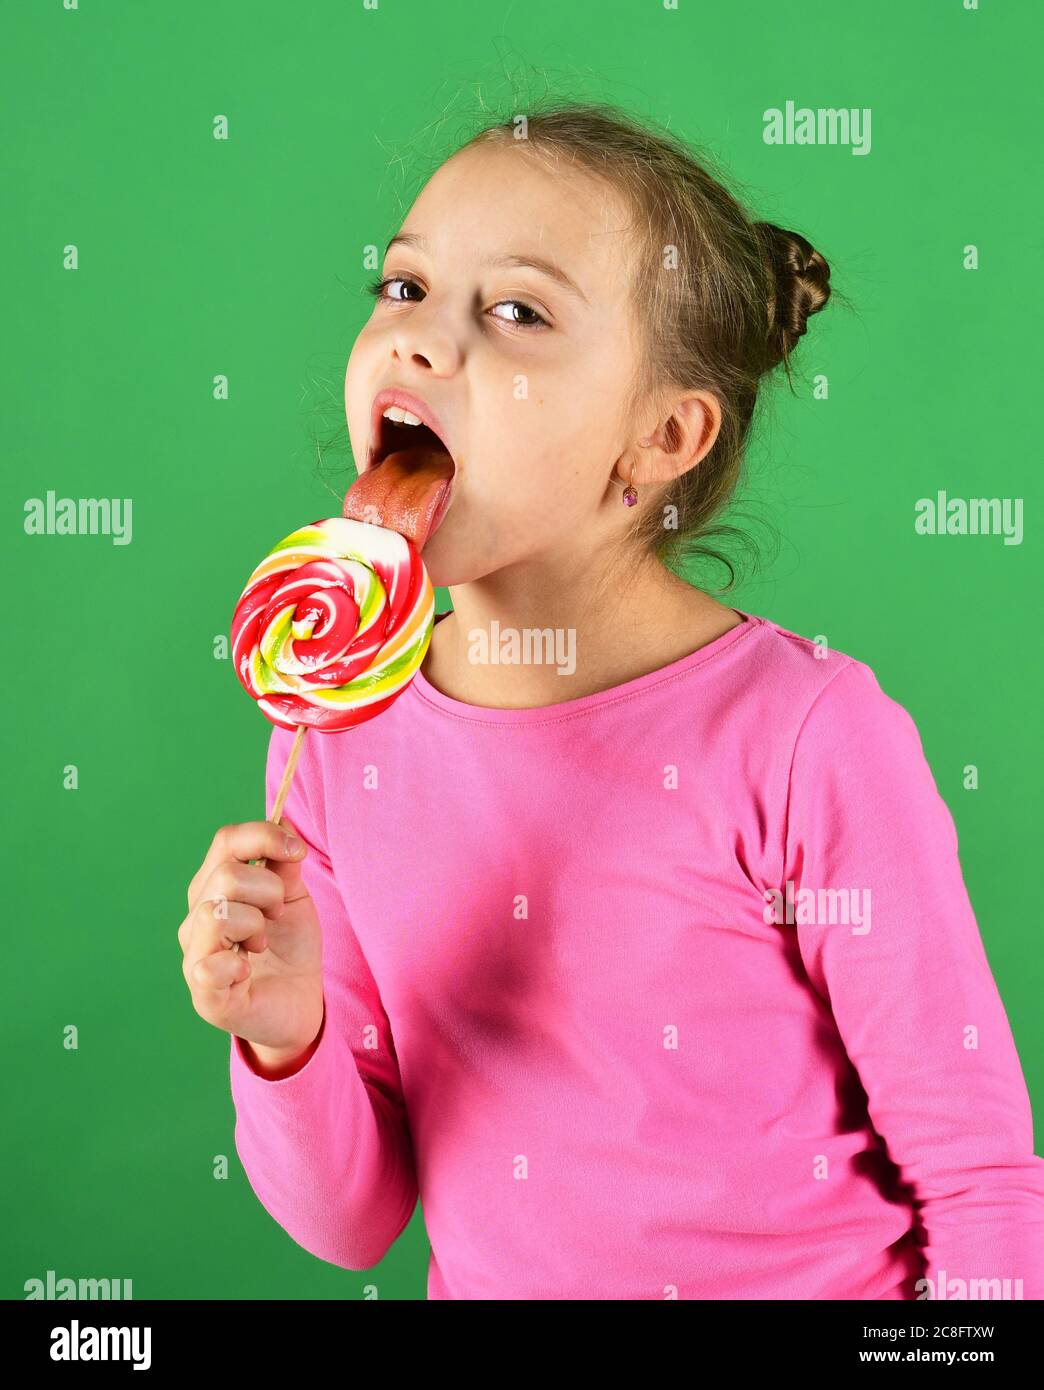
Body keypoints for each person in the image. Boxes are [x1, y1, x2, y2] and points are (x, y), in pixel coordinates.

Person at [180, 101, 1044, 1300]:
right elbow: (353, 1222)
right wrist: (286, 1036)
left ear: (660, 437)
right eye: (404, 287)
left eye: (517, 312)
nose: (419, 343)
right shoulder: (335, 738)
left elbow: (979, 1178)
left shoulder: (803, 737)